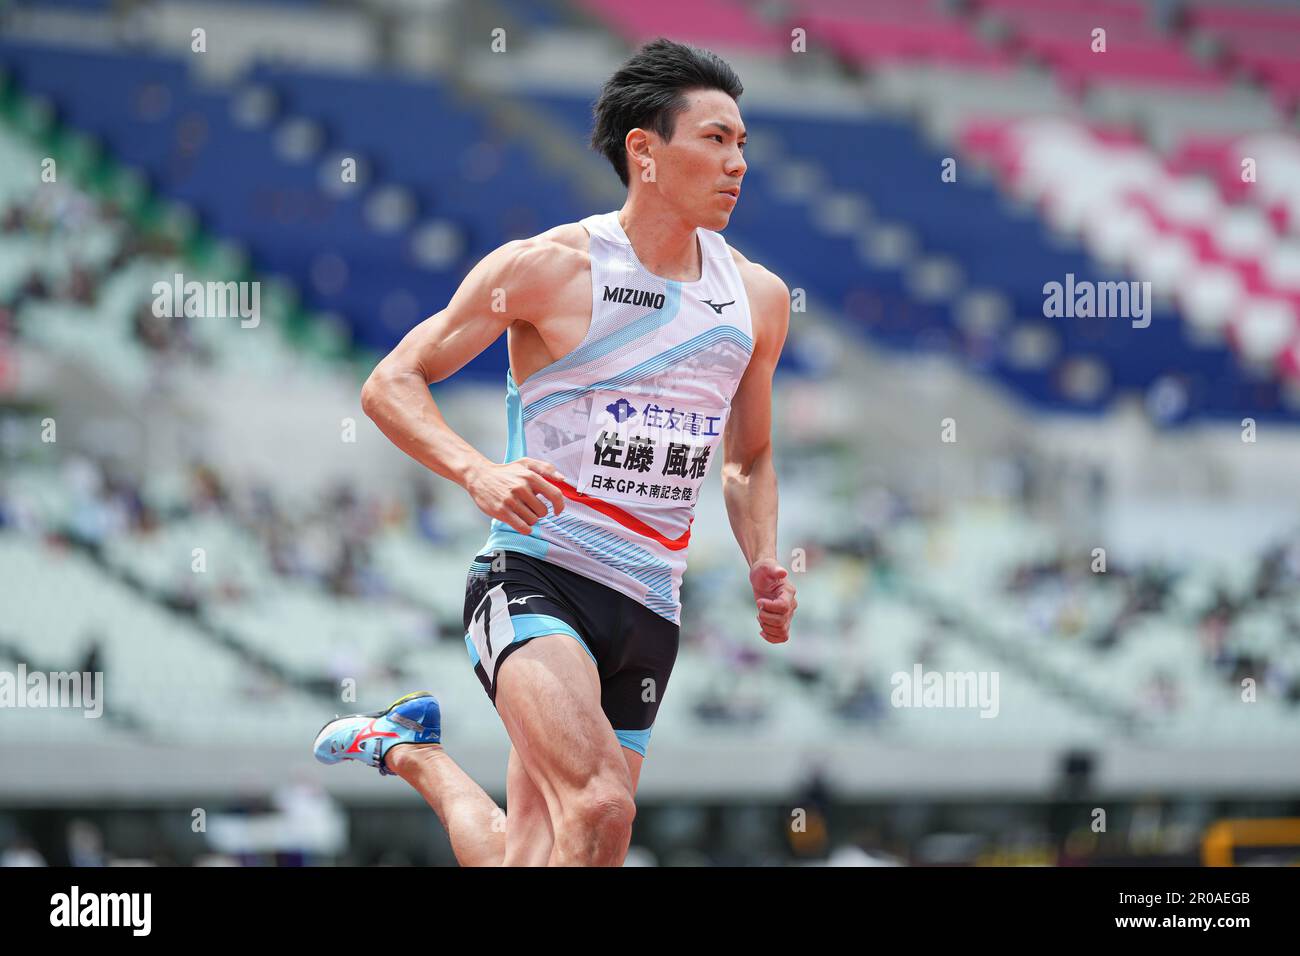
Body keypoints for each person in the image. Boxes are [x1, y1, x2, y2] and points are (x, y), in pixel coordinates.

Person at [313, 37, 797, 866]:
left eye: (742, 143)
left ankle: (411, 753)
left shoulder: (757, 298)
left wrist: (763, 559)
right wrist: (477, 471)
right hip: (537, 577)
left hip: (650, 608)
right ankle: (412, 751)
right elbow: (391, 383)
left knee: (533, 851)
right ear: (645, 151)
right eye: (716, 138)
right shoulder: (549, 269)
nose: (737, 163)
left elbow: (748, 458)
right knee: (602, 807)